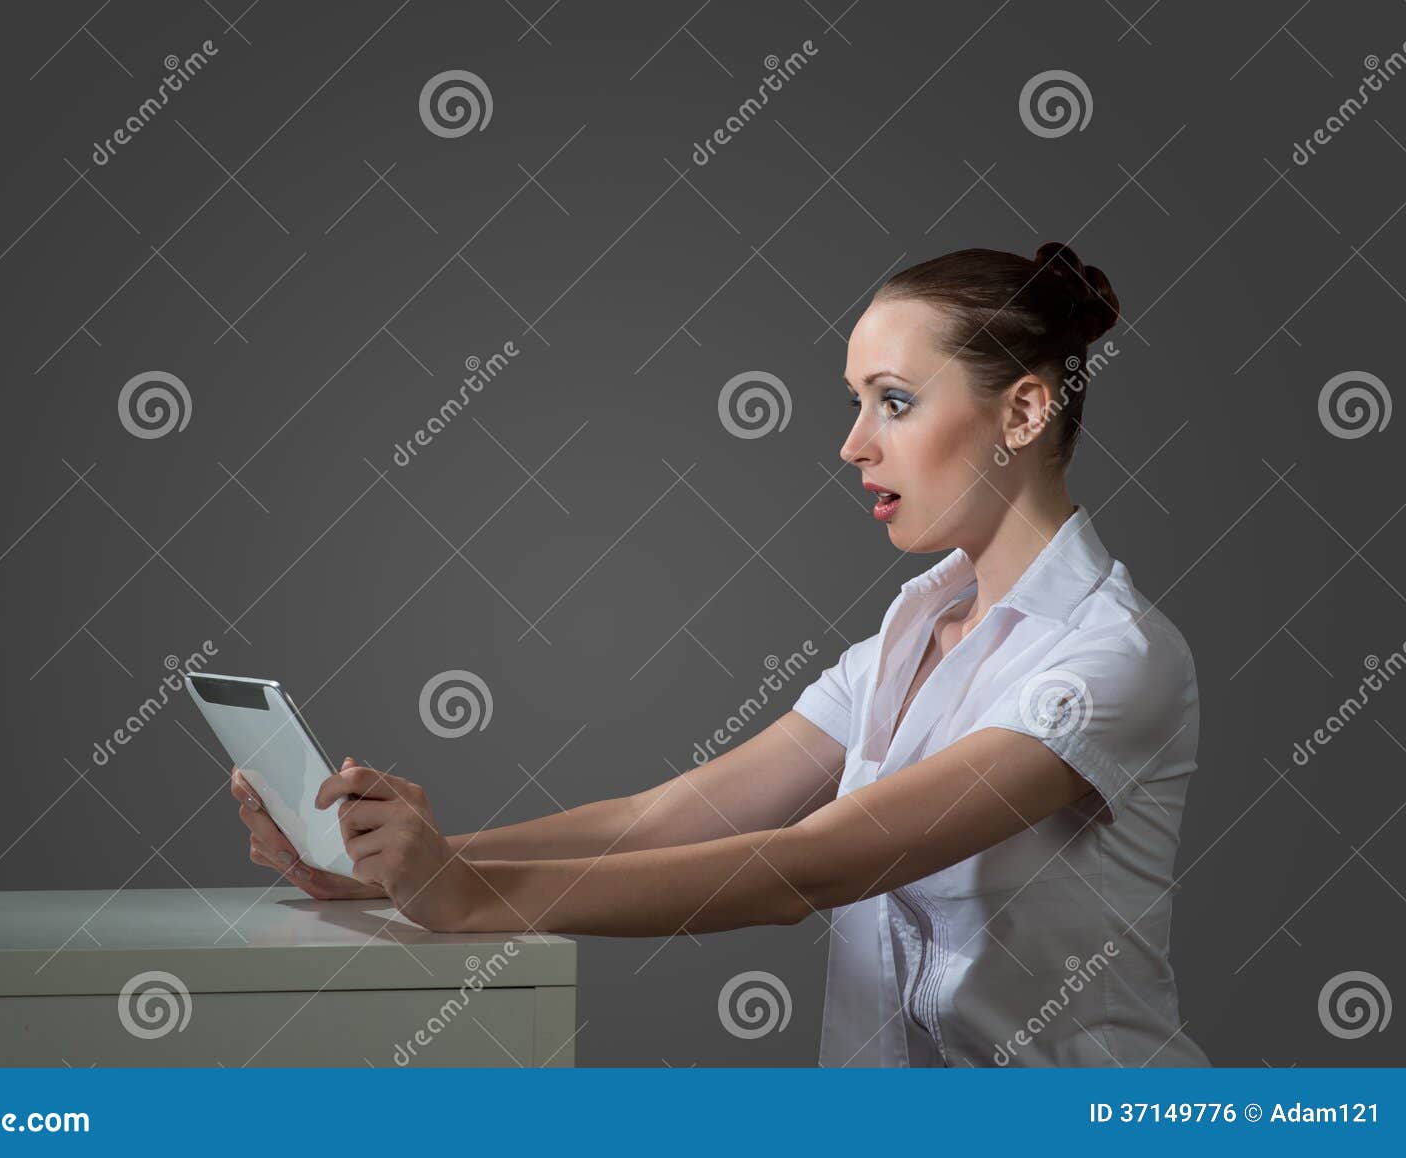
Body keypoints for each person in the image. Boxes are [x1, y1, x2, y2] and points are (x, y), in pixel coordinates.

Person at [231, 242, 1210, 1067]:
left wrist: (471, 896)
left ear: (1024, 414)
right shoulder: (906, 639)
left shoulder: (1111, 660)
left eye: (894, 401)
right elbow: (660, 819)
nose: (852, 445)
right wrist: (399, 868)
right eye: (855, 402)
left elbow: (810, 868)